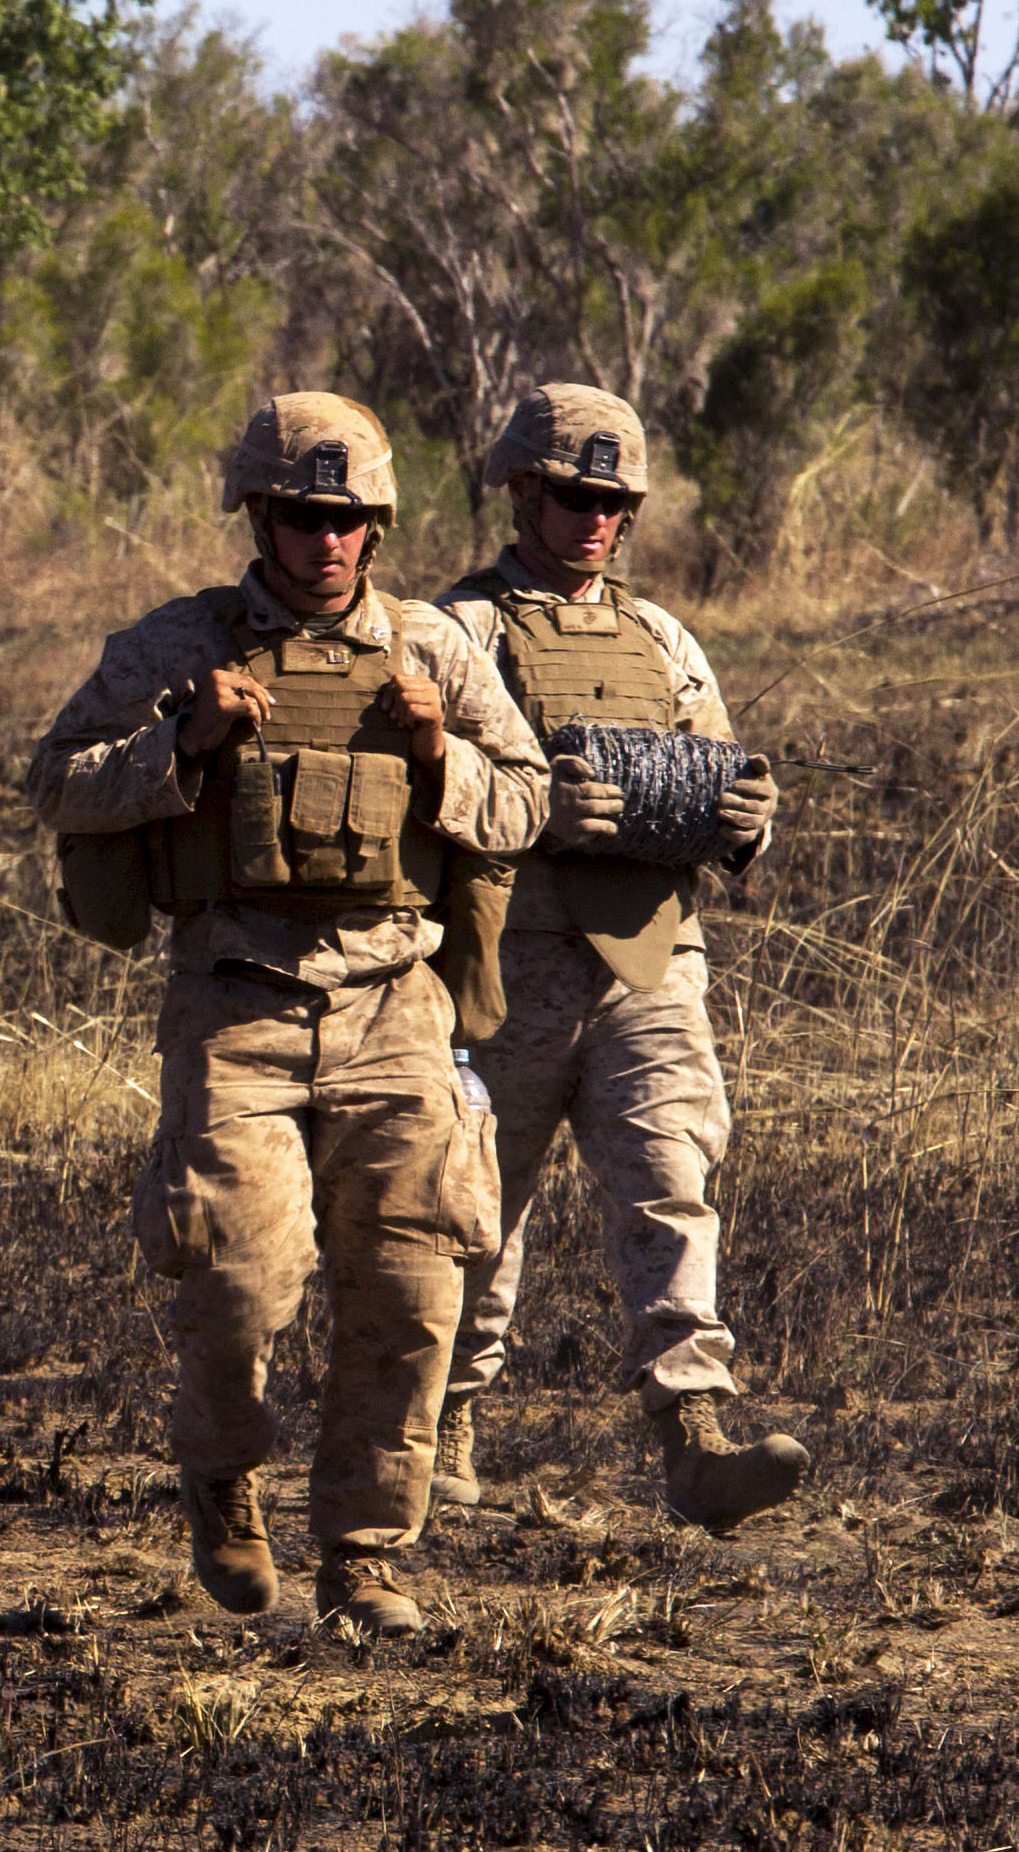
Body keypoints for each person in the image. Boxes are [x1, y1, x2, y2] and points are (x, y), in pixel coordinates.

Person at [27, 394, 546, 1631]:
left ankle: (365, 1556)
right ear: (257, 515)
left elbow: (529, 801)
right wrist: (184, 742)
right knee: (236, 1284)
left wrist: (444, 760)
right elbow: (56, 783)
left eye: (350, 520)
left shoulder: (433, 648)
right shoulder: (177, 644)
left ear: (378, 527)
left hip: (396, 1002)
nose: (327, 543)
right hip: (235, 1002)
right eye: (304, 517)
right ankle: (222, 1476)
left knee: (415, 1291)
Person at [431, 383, 807, 1531]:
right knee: (473, 1212)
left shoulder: (664, 640)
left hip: (651, 962)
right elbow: (421, 792)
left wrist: (750, 817)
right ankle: (441, 1429)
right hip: (507, 960)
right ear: (524, 492)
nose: (598, 521)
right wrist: (537, 810)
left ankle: (694, 1436)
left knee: (671, 1183)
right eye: (577, 497)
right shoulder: (458, 634)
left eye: (616, 503)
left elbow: (716, 766)